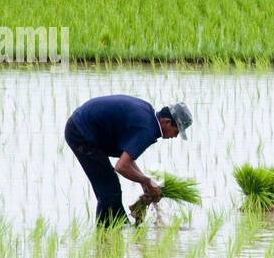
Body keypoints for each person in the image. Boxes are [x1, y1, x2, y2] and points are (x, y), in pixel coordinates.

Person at [65, 95, 193, 226]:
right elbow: (121, 166)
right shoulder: (147, 130)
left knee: (111, 188)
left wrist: (143, 181)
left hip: (87, 129)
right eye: (176, 131)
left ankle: (119, 226)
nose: (175, 136)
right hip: (80, 132)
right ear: (166, 121)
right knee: (109, 191)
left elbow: (127, 158)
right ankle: (103, 236)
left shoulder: (148, 117)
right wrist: (147, 181)